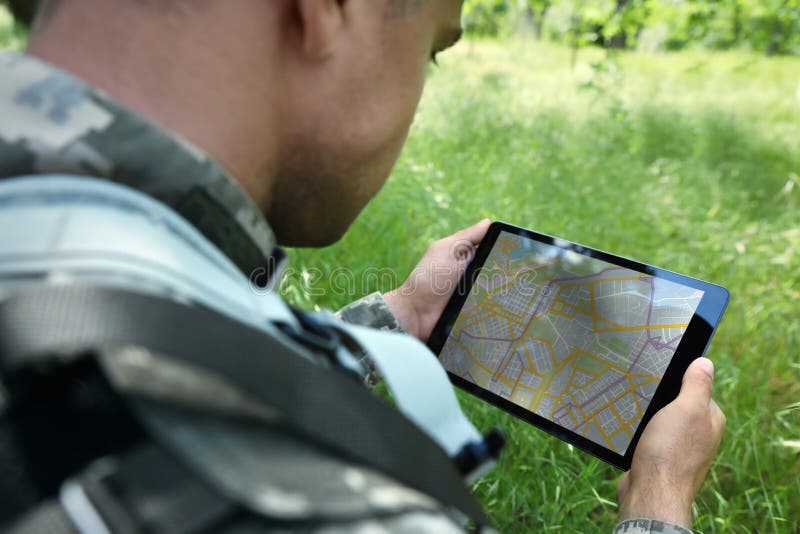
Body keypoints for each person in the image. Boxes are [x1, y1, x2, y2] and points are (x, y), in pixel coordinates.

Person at [0, 1, 726, 532]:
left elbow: (175, 329)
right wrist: (658, 503)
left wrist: (401, 318)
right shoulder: (310, 505)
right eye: (432, 51)